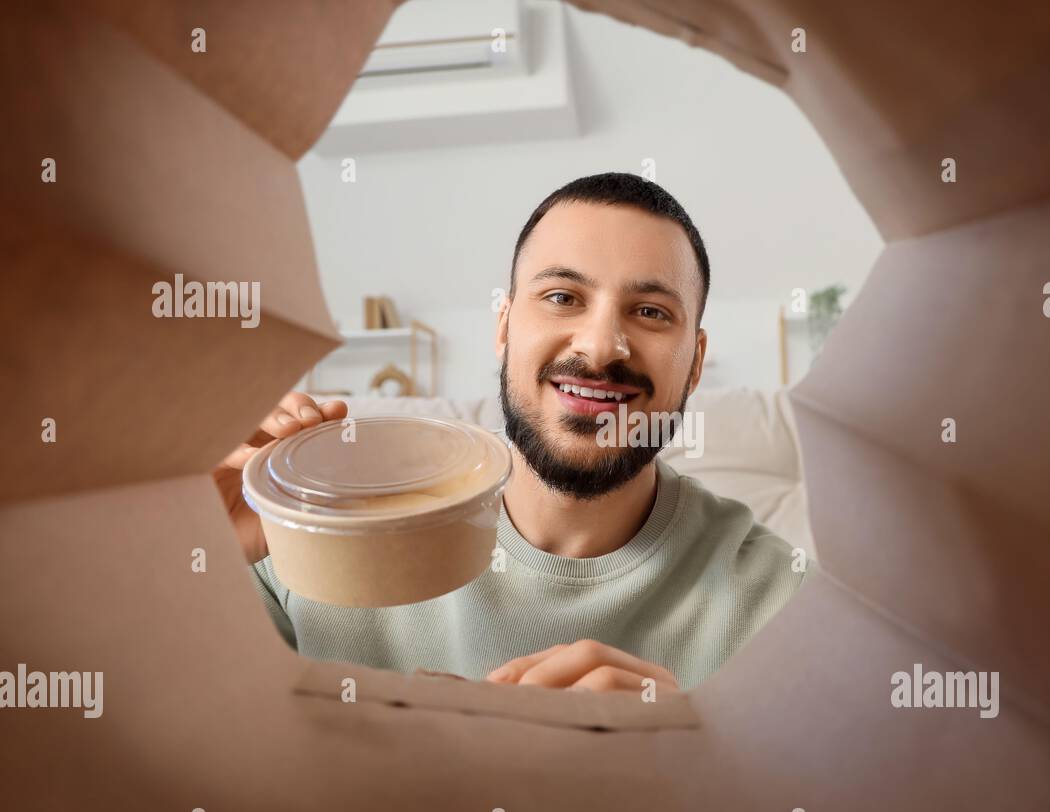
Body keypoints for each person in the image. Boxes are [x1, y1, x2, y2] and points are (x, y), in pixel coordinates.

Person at [216, 172, 809, 692]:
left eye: (651, 312)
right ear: (503, 328)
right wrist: (185, 547)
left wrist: (692, 759)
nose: (602, 346)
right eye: (561, 297)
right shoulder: (307, 529)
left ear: (696, 361)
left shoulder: (774, 596)